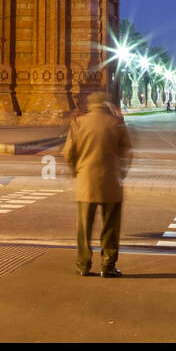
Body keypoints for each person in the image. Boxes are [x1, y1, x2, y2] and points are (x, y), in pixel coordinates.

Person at [63, 91, 133, 277]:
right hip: (111, 183)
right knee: (110, 227)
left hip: (86, 183)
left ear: (90, 104)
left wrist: (77, 172)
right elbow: (128, 154)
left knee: (84, 229)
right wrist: (121, 174)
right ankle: (108, 266)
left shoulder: (78, 123)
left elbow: (68, 154)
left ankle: (83, 265)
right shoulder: (116, 123)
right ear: (105, 104)